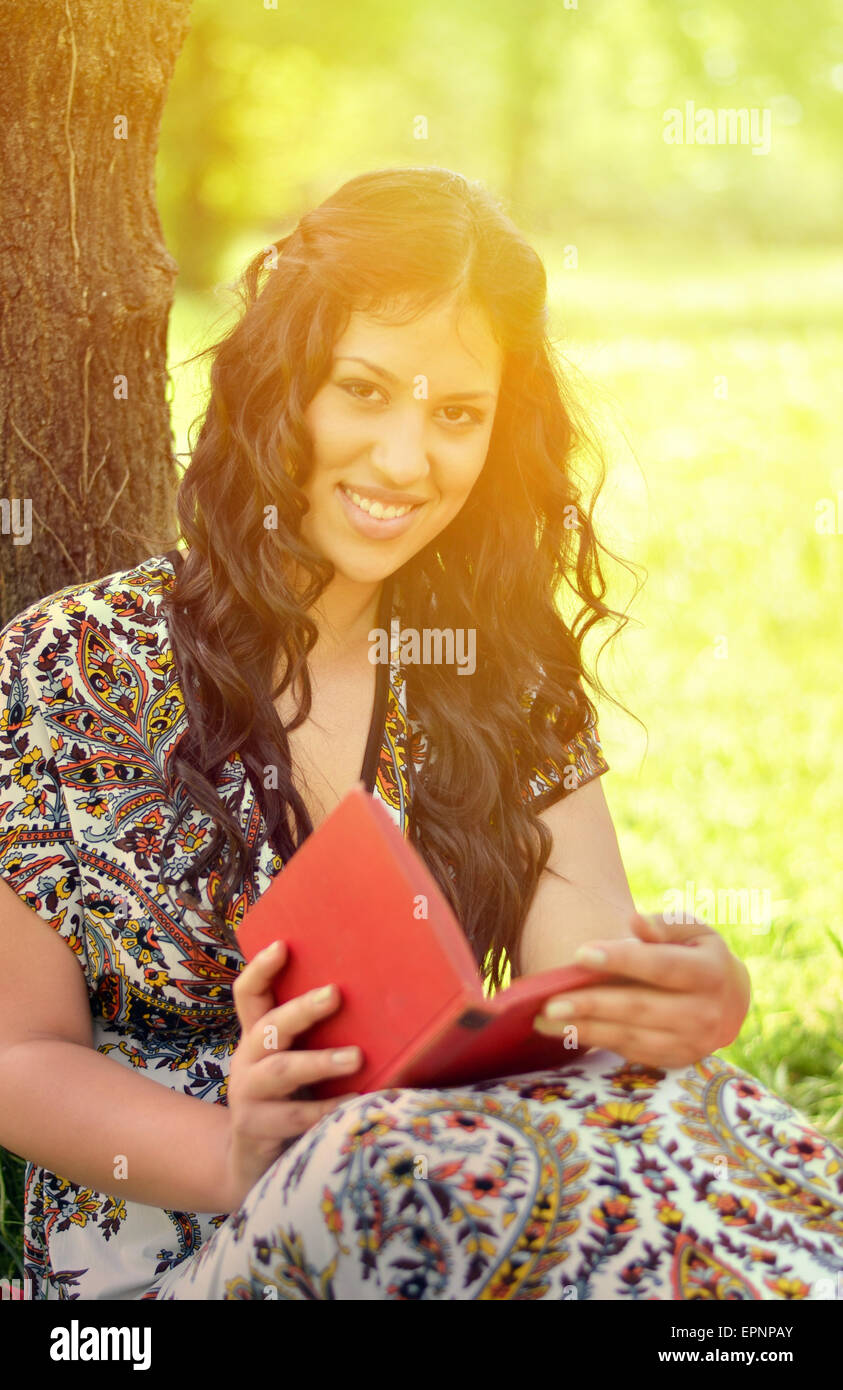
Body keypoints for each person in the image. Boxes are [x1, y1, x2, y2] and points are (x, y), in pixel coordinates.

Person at [1, 167, 841, 1302]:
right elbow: (20, 1056)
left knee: (708, 1107)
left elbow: (580, 974)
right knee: (368, 1160)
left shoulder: (494, 667)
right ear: (281, 386)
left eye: (457, 414)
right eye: (362, 390)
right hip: (172, 1255)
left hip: (448, 1189)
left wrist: (680, 1004)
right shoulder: (68, 664)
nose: (406, 461)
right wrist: (235, 1149)